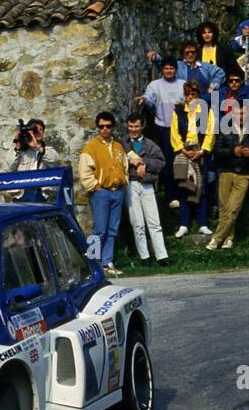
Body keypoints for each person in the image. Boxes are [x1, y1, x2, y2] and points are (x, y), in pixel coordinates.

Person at [207, 101, 249, 250]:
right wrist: (233, 151)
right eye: (239, 113)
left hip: (243, 174)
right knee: (224, 209)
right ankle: (228, 238)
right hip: (226, 172)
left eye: (244, 113)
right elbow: (216, 151)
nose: (242, 116)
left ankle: (215, 239)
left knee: (233, 209)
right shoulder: (225, 129)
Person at [79, 112, 127, 276]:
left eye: (108, 126)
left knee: (112, 230)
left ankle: (107, 262)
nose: (105, 129)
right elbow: (84, 172)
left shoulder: (118, 146)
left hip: (117, 191)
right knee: (99, 230)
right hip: (101, 193)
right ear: (97, 128)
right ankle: (93, 265)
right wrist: (95, 186)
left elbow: (124, 165)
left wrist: (124, 180)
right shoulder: (91, 147)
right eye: (101, 126)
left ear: (112, 127)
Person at [122, 113, 170, 266]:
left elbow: (161, 162)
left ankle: (162, 256)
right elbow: (118, 161)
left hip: (147, 184)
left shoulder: (150, 145)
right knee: (137, 222)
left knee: (154, 221)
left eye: (136, 126)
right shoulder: (122, 143)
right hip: (131, 184)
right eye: (131, 126)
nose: (133, 129)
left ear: (142, 126)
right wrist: (133, 164)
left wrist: (144, 164)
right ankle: (145, 257)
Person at [136, 57, 185, 205]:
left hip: (181, 128)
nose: (169, 71)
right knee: (167, 161)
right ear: (162, 70)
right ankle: (171, 196)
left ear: (175, 69)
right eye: (166, 68)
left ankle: (184, 194)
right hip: (163, 127)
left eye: (171, 68)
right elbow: (149, 97)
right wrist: (144, 99)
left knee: (182, 160)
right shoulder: (155, 85)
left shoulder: (183, 84)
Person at [169, 81, 215, 238]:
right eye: (187, 94)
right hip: (184, 152)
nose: (190, 97)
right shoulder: (179, 111)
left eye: (193, 94)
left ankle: (202, 224)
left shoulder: (206, 110)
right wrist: (182, 150)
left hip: (199, 152)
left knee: (201, 188)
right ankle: (183, 224)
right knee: (184, 187)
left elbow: (210, 131)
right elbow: (174, 132)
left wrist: (202, 151)